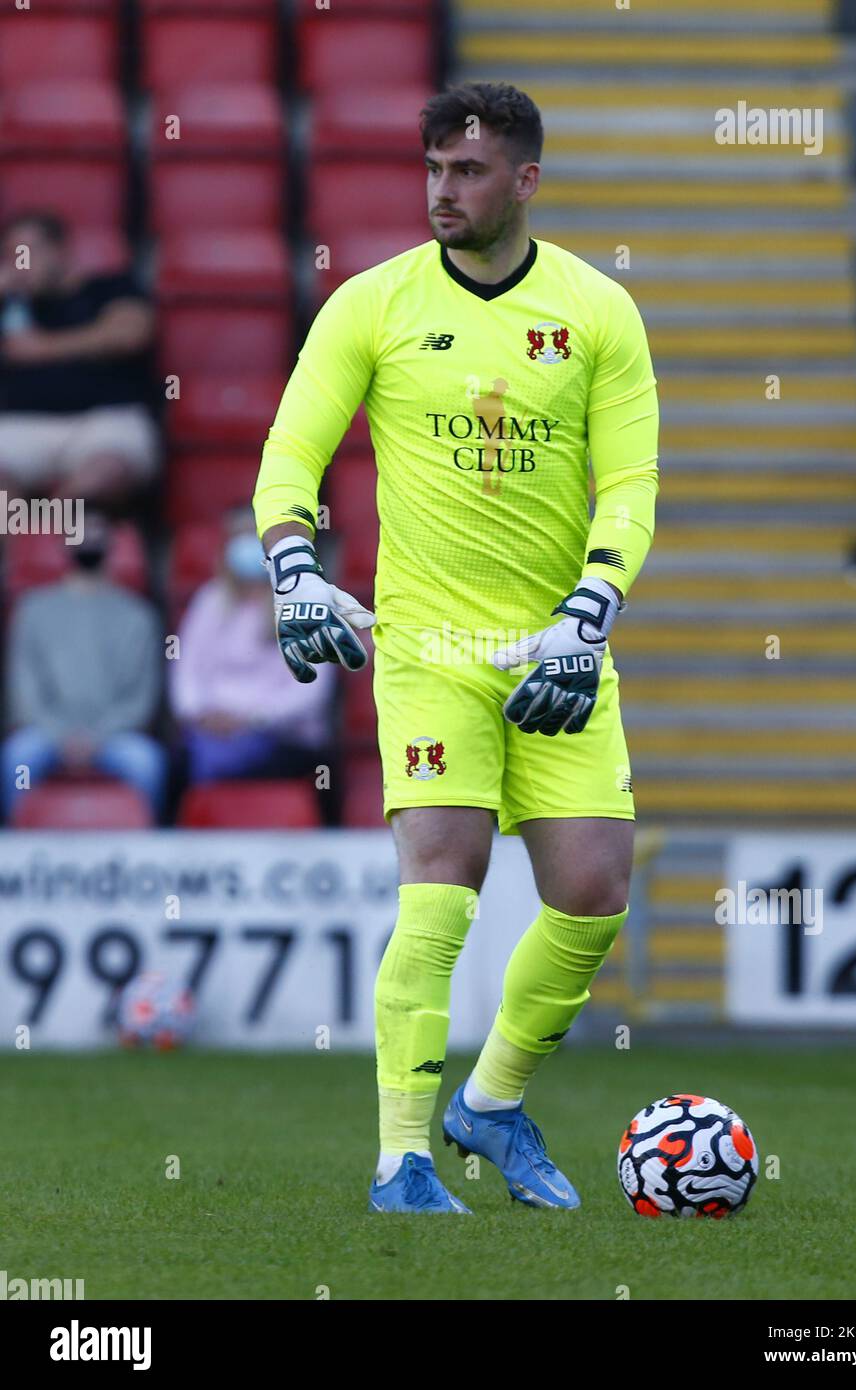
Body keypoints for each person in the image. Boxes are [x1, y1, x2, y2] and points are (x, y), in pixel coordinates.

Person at [252, 82, 659, 1214]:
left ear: (525, 179)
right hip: (429, 642)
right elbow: (289, 457)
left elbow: (629, 486)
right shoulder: (370, 305)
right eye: (433, 168)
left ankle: (488, 1102)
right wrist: (292, 566)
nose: (444, 189)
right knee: (444, 876)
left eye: (469, 171)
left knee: (591, 893)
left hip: (557, 647)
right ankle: (402, 1159)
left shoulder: (594, 311)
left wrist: (588, 615)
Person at [170, 512, 340, 822]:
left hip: (283, 737)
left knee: (326, 771)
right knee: (173, 765)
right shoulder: (209, 600)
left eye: (256, 536)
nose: (248, 546)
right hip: (213, 730)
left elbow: (312, 690)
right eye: (240, 537)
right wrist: (202, 714)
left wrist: (252, 720)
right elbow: (186, 673)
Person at [2, 514, 166, 821]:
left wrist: (95, 738)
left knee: (148, 763)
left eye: (96, 532)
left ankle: (149, 859)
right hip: (47, 734)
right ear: (63, 544)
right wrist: (62, 735)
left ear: (112, 543)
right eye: (80, 532)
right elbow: (24, 690)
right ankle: (12, 857)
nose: (88, 539)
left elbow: (141, 697)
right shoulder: (32, 610)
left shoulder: (138, 615)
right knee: (17, 760)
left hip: (115, 738)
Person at [0, 210, 158, 505]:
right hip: (20, 425)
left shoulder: (110, 286)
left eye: (28, 251)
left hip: (104, 421)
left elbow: (130, 333)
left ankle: (50, 527)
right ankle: (23, 544)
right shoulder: (10, 304)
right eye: (11, 256)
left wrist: (44, 348)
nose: (20, 264)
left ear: (60, 250)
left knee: (106, 470)